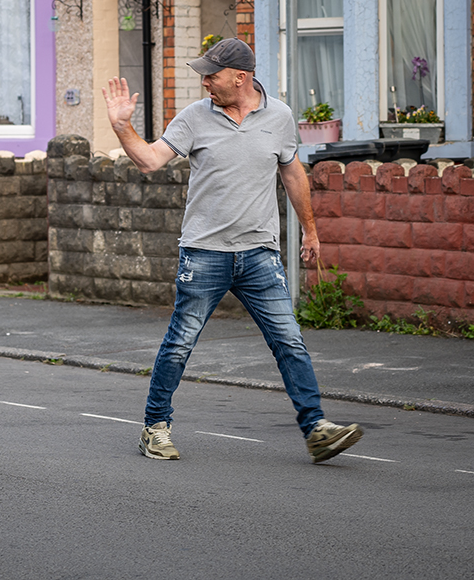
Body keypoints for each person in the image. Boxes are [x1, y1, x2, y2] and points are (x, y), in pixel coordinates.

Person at [102, 37, 363, 463]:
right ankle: (155, 427)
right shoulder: (194, 117)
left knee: (289, 340)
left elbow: (292, 173)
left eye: (212, 75)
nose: (205, 82)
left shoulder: (279, 117)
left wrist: (310, 231)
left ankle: (316, 428)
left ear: (241, 77)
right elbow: (149, 160)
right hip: (204, 253)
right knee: (180, 343)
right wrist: (121, 126)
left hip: (259, 253)